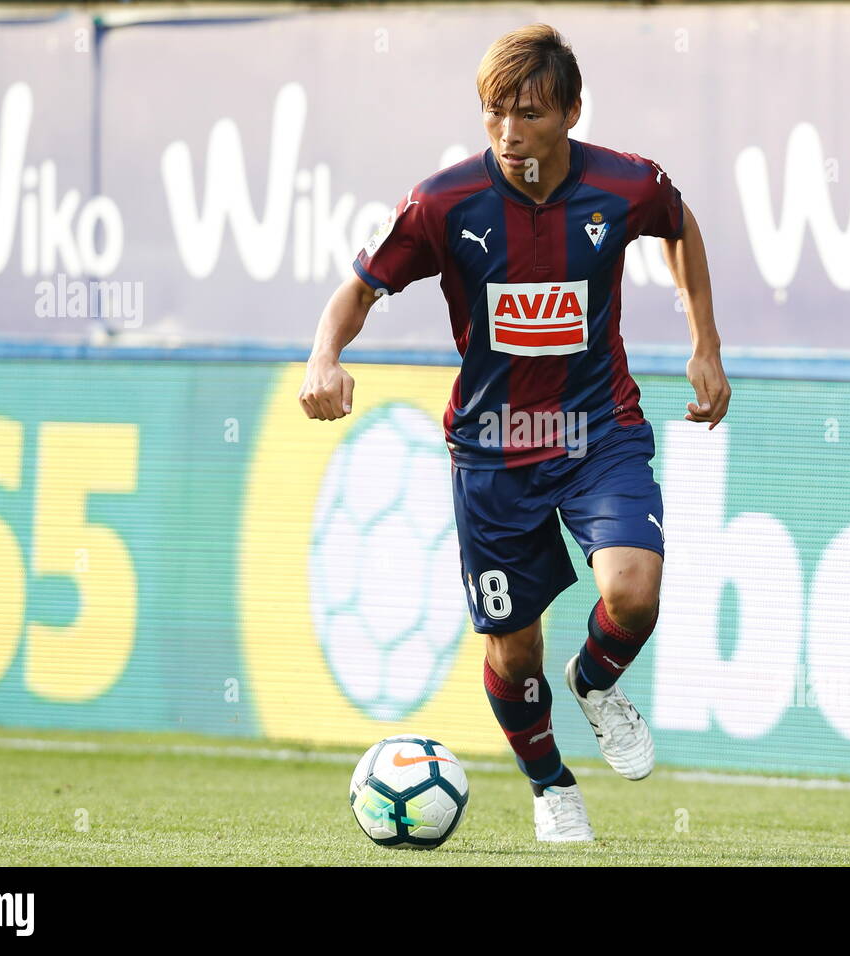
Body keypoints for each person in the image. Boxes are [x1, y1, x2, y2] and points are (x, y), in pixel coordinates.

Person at [300, 23, 729, 842]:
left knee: (634, 591)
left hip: (598, 430)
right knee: (513, 651)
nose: (509, 130)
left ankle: (597, 682)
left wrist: (704, 341)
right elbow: (356, 291)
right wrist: (323, 357)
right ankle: (550, 786)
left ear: (570, 111)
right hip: (494, 452)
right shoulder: (443, 203)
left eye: (529, 112)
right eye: (495, 111)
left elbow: (679, 226)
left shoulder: (625, 186)